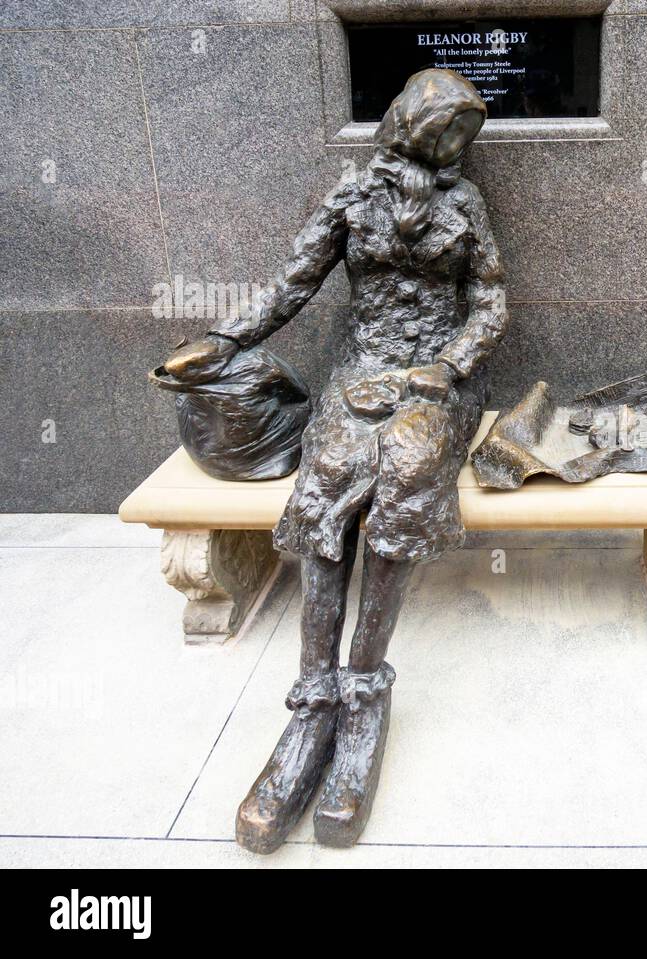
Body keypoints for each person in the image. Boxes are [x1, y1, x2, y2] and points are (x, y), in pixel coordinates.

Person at [162, 69, 507, 852]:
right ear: (409, 124)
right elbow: (292, 282)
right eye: (445, 129)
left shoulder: (466, 207)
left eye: (467, 134)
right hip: (362, 370)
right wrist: (224, 341)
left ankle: (364, 694)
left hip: (434, 378)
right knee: (326, 483)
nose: (456, 147)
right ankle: (311, 704)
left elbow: (492, 300)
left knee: (410, 476)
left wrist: (451, 364)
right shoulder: (353, 198)